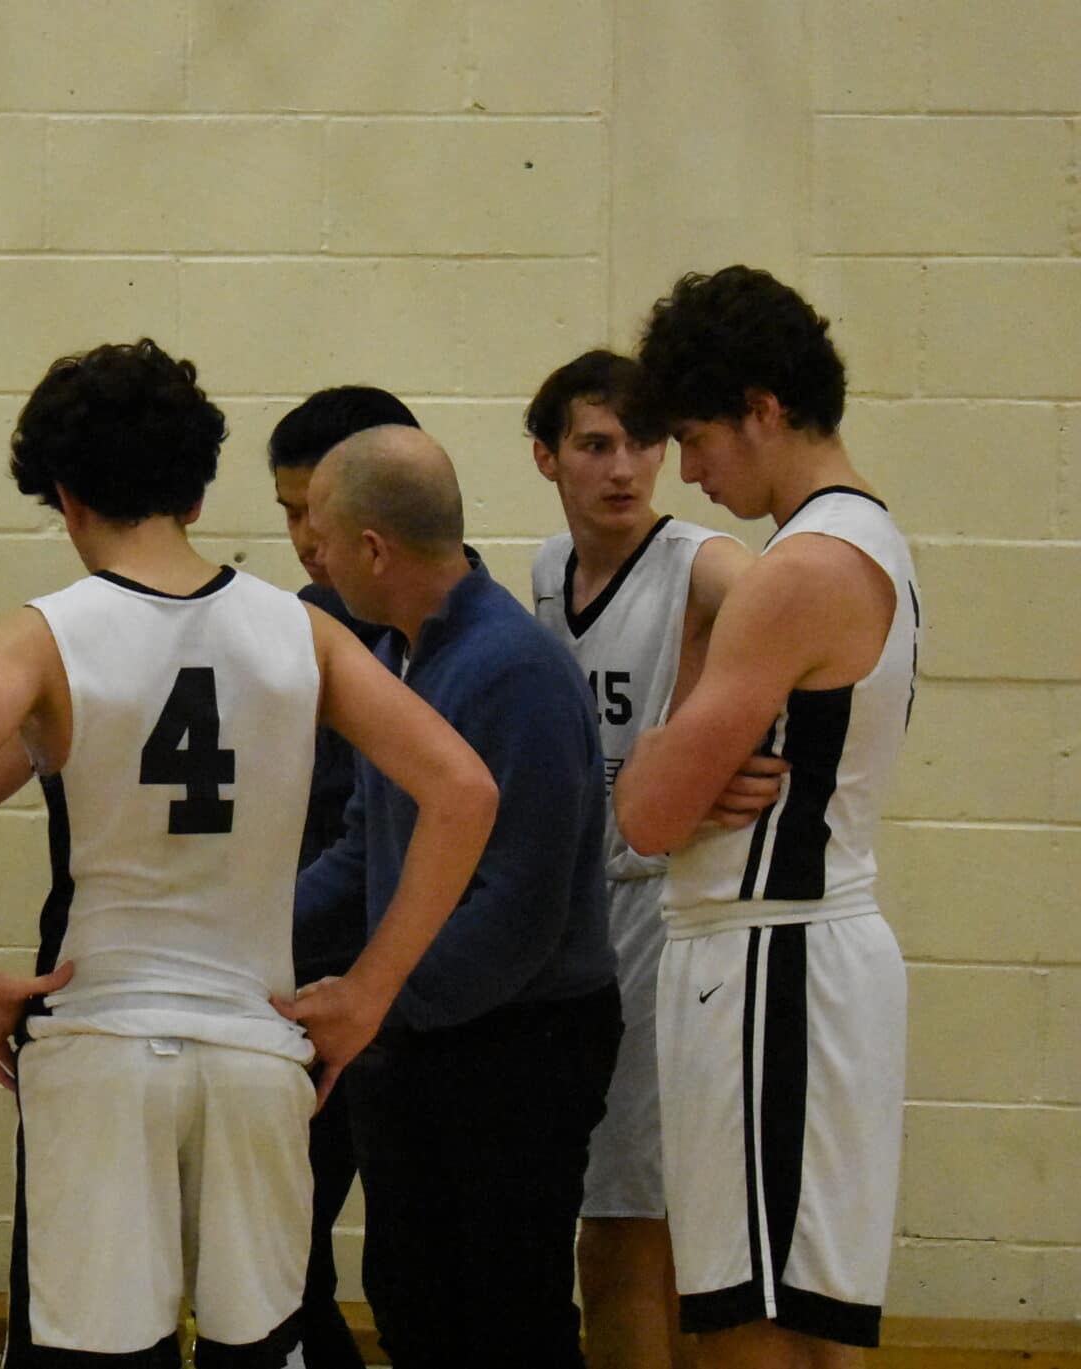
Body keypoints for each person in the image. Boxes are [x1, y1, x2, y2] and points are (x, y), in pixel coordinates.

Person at [0, 340, 498, 1369]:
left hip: (102, 1046)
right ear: (196, 493)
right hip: (254, 1046)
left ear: (66, 498)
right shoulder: (302, 632)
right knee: (260, 1353)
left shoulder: (43, 635)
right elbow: (463, 790)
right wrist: (371, 989)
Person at [615, 267, 922, 1369]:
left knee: (747, 1327)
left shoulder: (795, 572)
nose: (686, 471)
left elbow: (646, 812)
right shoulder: (867, 540)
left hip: (767, 958)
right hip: (801, 950)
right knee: (806, 1319)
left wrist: (661, 760)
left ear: (761, 406)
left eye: (694, 438)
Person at [296, 424, 623, 1367]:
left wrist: (373, 997)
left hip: (519, 1047)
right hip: (426, 1037)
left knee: (503, 1315)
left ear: (372, 548)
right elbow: (364, 853)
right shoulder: (408, 656)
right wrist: (242, 939)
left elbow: (519, 912)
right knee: (412, 1296)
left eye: (318, 531)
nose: (309, 553)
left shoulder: (511, 668)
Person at [526, 349, 754, 1369]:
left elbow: (798, 611)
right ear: (545, 457)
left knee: (630, 1221)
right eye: (594, 444)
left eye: (644, 442)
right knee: (607, 1210)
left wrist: (742, 751)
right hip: (573, 918)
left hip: (665, 913)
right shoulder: (541, 573)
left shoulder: (699, 560)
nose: (624, 466)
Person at [266, 384, 418, 1369]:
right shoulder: (285, 629)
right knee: (286, 1260)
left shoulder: (464, 630)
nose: (304, 539)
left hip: (423, 995)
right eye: (286, 515)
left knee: (416, 1272)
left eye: (315, 512)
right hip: (309, 984)